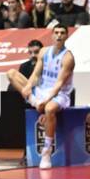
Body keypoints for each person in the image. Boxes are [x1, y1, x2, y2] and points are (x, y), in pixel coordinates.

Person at [17, 21, 75, 170]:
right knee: (12, 75)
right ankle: (35, 102)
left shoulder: (68, 57)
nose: (59, 36)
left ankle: (46, 151)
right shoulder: (43, 52)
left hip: (59, 95)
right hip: (41, 90)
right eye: (56, 33)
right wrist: (28, 87)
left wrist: (45, 100)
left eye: (62, 33)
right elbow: (36, 74)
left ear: (66, 36)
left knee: (49, 109)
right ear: (52, 35)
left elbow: (59, 84)